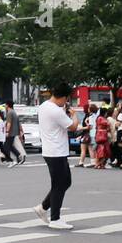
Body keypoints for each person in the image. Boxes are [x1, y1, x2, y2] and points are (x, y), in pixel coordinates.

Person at [35, 83, 80, 229]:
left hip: (54, 151)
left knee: (65, 182)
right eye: (67, 99)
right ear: (64, 97)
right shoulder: (56, 111)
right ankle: (55, 219)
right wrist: (74, 116)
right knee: (59, 185)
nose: (66, 103)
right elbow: (73, 127)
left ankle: (43, 207)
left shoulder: (44, 106)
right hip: (56, 152)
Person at [93, 105, 111, 170]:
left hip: (100, 135)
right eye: (106, 113)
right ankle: (98, 164)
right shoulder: (101, 118)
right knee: (104, 151)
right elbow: (107, 123)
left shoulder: (99, 118)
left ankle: (101, 164)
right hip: (102, 136)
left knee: (102, 151)